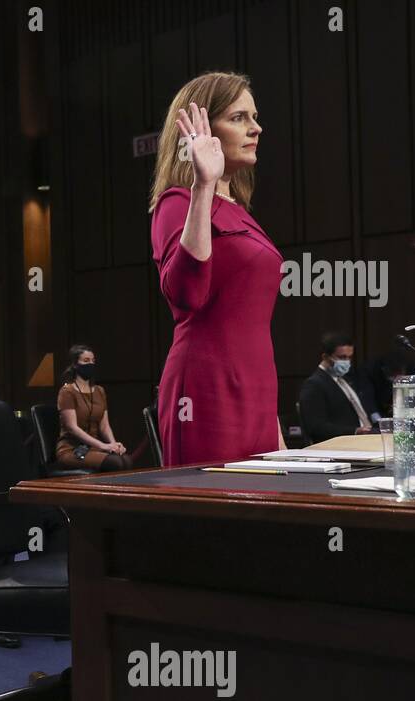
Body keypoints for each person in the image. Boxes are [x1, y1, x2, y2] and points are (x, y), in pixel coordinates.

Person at [149, 72, 285, 465]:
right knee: (217, 515)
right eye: (239, 117)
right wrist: (202, 186)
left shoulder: (240, 212)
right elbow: (186, 295)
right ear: (202, 129)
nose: (256, 128)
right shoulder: (177, 202)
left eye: (255, 116)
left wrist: (270, 418)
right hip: (207, 390)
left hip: (256, 390)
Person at [54, 345, 130, 472]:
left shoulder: (100, 391)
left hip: (94, 449)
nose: (90, 364)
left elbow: (104, 426)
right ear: (75, 364)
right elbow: (72, 428)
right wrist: (103, 446)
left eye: (92, 361)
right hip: (72, 449)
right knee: (115, 463)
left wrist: (114, 445)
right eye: (86, 360)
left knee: (126, 460)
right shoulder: (67, 392)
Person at [297, 332, 381, 442]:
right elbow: (316, 427)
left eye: (349, 357)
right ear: (325, 357)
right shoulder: (314, 384)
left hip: (366, 440)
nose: (347, 362)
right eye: (342, 357)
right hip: (342, 446)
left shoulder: (345, 379)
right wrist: (355, 431)